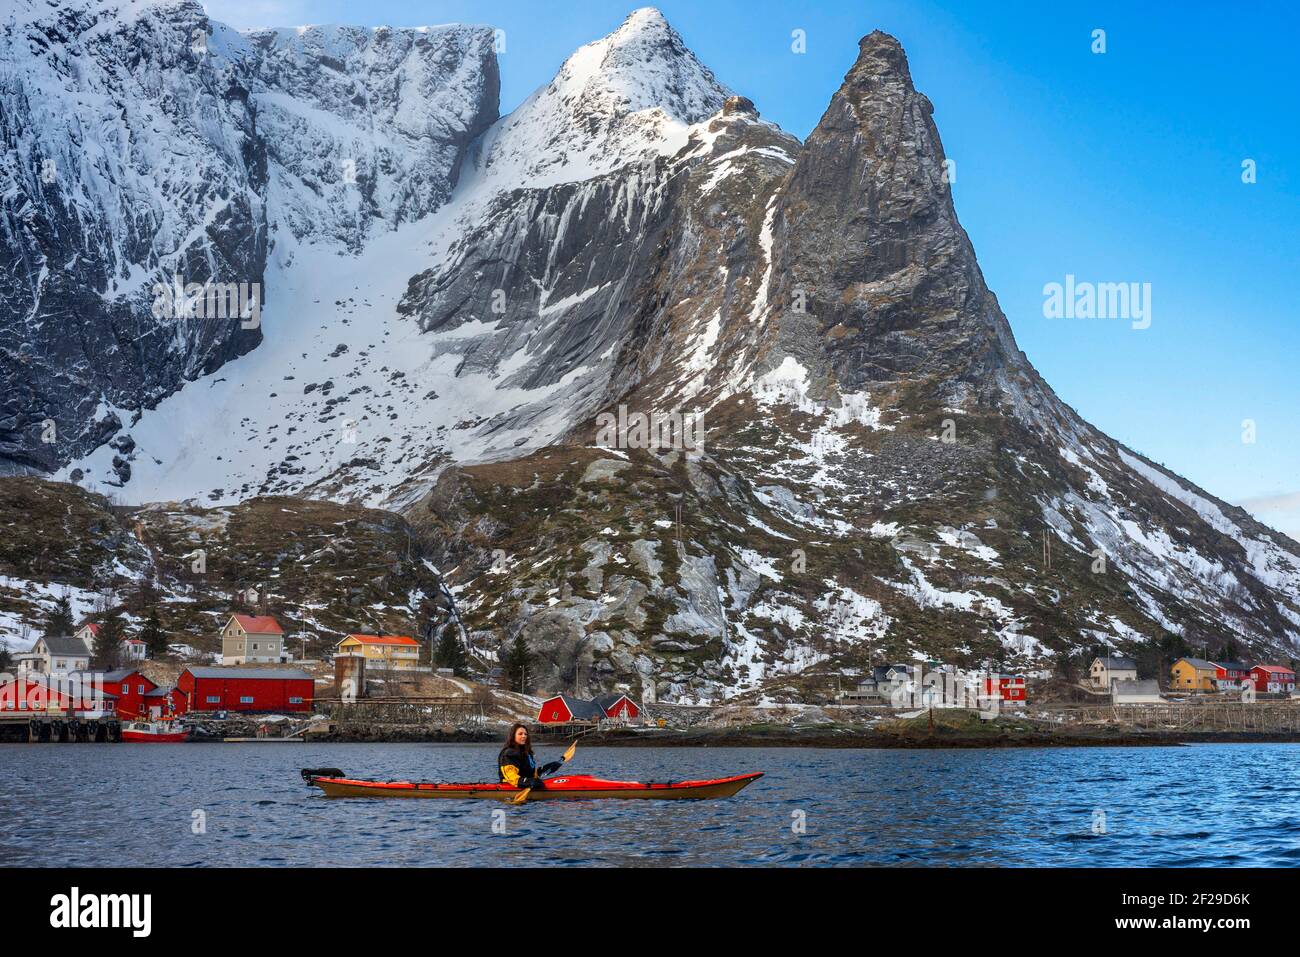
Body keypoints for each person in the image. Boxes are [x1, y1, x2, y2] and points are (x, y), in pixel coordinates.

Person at [498, 723, 562, 789]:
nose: (524, 736)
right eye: (520, 734)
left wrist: (546, 768)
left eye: (525, 734)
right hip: (510, 787)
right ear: (513, 736)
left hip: (525, 784)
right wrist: (528, 782)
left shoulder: (526, 753)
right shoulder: (508, 754)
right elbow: (512, 778)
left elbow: (529, 774)